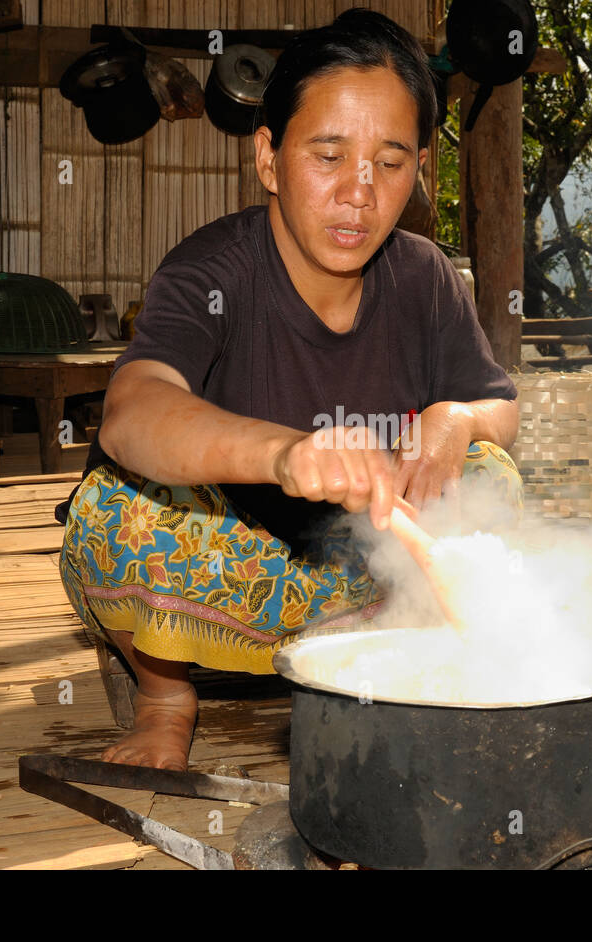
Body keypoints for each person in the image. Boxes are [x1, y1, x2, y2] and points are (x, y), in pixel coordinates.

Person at [59, 8, 521, 770]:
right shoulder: (211, 273)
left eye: (391, 161)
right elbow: (131, 411)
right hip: (228, 561)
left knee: (488, 476)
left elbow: (497, 404)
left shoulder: (425, 276)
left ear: (419, 167)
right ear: (269, 157)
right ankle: (166, 695)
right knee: (117, 515)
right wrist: (284, 454)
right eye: (329, 155)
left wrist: (454, 416)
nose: (360, 193)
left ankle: (404, 655)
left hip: (355, 569)